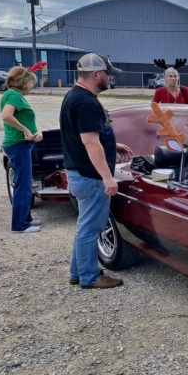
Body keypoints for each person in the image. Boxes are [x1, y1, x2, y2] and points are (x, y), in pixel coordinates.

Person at [60, 53, 133, 289]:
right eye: (108, 74)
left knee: (86, 226)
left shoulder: (76, 96)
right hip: (89, 177)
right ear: (95, 74)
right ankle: (89, 277)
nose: (110, 78)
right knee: (90, 228)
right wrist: (107, 177)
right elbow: (90, 143)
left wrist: (113, 145)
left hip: (81, 173)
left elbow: (90, 136)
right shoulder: (85, 103)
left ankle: (78, 273)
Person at [0, 67, 43, 234]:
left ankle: (26, 219)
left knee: (25, 183)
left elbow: (24, 118)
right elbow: (6, 115)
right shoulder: (13, 95)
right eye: (31, 83)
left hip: (21, 144)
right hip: (18, 145)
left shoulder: (14, 95)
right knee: (23, 185)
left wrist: (36, 131)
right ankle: (20, 225)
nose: (32, 86)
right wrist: (25, 130)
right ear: (22, 82)